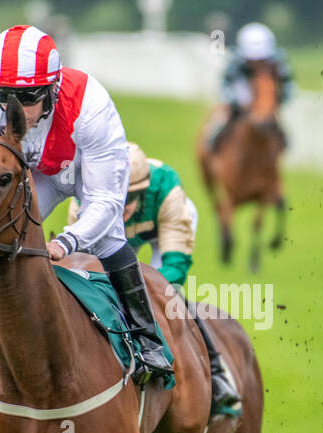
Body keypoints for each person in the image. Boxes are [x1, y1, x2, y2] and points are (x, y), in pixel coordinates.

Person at [0, 24, 170, 383]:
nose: (15, 108)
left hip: (86, 169)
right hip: (40, 173)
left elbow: (105, 202)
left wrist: (65, 242)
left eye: (28, 98)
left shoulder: (90, 107)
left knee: (108, 239)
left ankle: (146, 338)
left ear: (52, 88)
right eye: (3, 94)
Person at [68, 142, 240, 412]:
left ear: (144, 191)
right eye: (118, 198)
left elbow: (175, 265)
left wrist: (138, 288)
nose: (123, 210)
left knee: (166, 294)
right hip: (112, 234)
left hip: (163, 227)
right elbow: (84, 269)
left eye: (131, 199)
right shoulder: (84, 200)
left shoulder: (166, 190)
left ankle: (217, 374)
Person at [206, 21, 294, 153]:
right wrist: (237, 103)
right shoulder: (235, 62)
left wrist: (276, 102)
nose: (257, 62)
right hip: (238, 103)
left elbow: (288, 87)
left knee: (278, 128)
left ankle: (283, 145)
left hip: (266, 106)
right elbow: (225, 87)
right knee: (221, 120)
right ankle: (210, 145)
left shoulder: (277, 62)